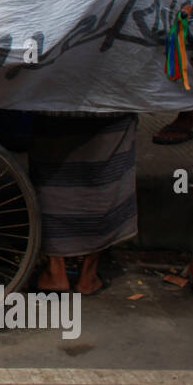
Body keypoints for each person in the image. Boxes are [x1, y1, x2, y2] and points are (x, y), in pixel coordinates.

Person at [30, 112, 138, 295]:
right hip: (111, 99)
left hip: (58, 102)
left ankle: (56, 271)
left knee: (52, 163)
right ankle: (89, 275)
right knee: (106, 169)